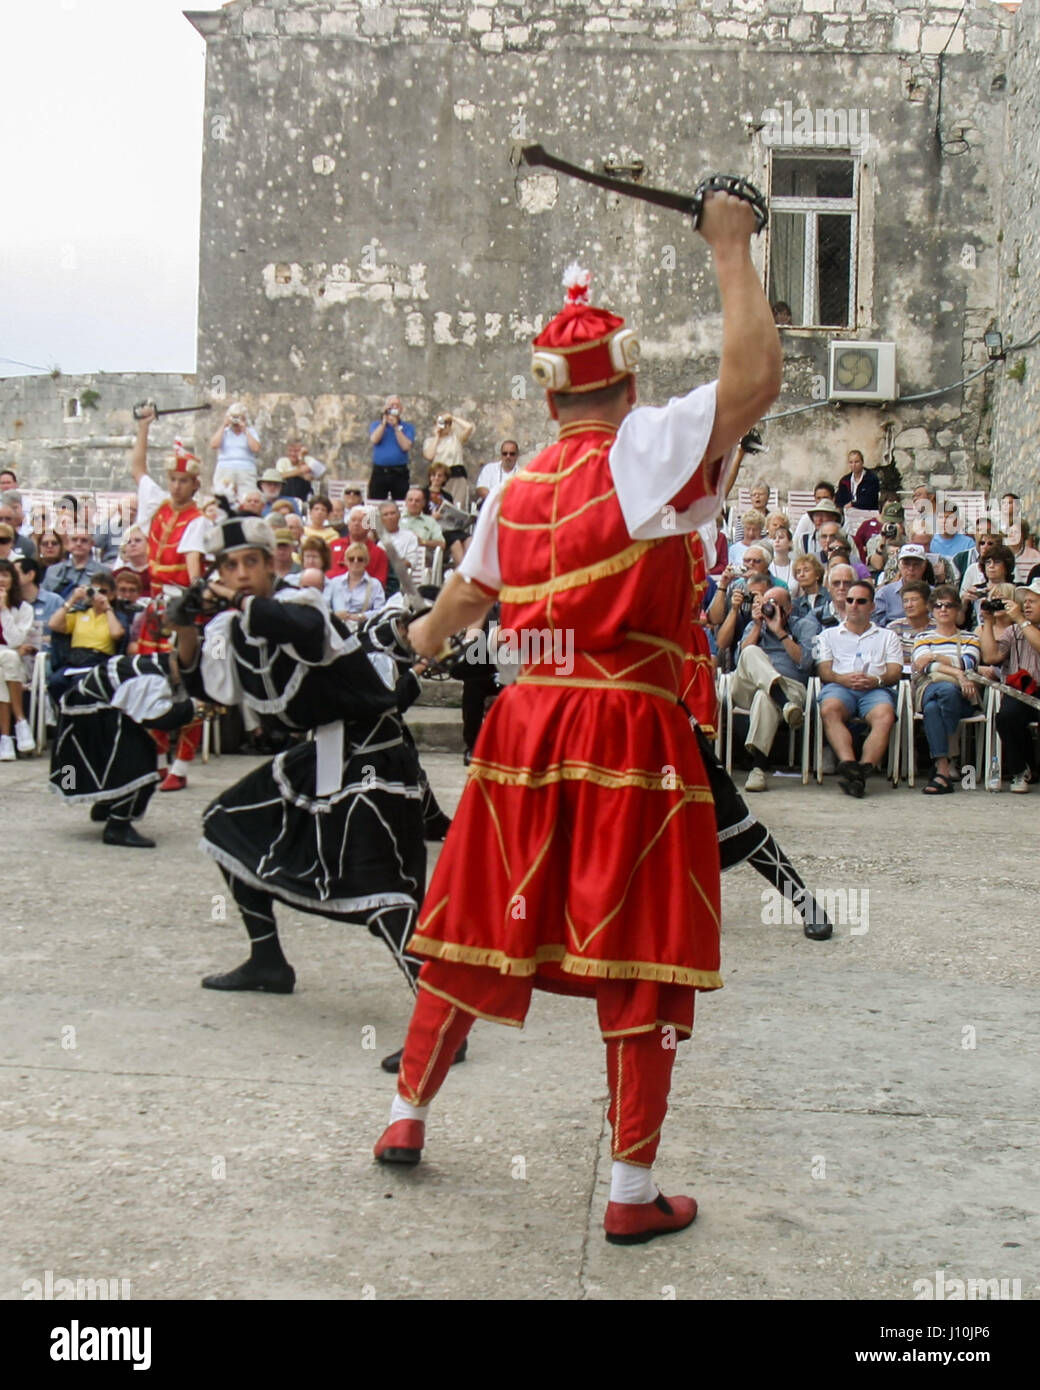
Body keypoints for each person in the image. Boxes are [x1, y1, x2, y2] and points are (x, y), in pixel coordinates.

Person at [373, 188, 783, 1247]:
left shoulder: (510, 488)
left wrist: (411, 640)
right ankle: (630, 1187)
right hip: (623, 732)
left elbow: (455, 615)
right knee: (639, 946)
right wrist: (729, 248)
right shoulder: (645, 449)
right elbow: (753, 382)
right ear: (628, 380)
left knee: (473, 916)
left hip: (521, 726)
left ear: (548, 395)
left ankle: (405, 1111)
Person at [169, 516, 434, 1069]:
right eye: (228, 566)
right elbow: (207, 686)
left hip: (373, 751)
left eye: (250, 564)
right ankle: (268, 961)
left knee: (378, 886)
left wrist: (231, 602)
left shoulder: (304, 608)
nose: (239, 576)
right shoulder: (232, 630)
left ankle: (442, 1024)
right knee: (228, 821)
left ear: (272, 566)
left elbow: (303, 635)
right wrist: (186, 625)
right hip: (323, 752)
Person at [48, 650, 195, 847]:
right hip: (88, 716)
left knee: (132, 743)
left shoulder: (154, 663)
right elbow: (158, 718)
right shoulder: (152, 676)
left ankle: (106, 804)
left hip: (81, 714)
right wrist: (195, 707)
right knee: (139, 758)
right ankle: (118, 824)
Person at [815, 578, 902, 797]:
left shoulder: (888, 636)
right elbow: (824, 671)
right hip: (840, 686)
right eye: (850, 600)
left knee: (885, 715)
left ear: (872, 606)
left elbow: (894, 671)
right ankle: (850, 765)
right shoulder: (828, 635)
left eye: (861, 601)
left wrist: (877, 680)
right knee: (829, 709)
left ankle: (861, 770)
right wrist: (842, 679)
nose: (853, 605)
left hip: (875, 688)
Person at [730, 584, 818, 793]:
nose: (769, 608)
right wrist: (758, 626)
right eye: (766, 603)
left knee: (764, 696)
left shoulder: (805, 626)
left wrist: (779, 631)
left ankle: (757, 769)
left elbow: (806, 663)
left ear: (789, 609)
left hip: (791, 686)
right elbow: (739, 658)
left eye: (775, 604)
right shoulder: (754, 626)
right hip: (747, 689)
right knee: (750, 651)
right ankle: (785, 704)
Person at [909, 586, 982, 794]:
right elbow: (924, 667)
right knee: (946, 690)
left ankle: (941, 768)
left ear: (958, 609)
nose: (943, 609)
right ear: (931, 610)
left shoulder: (970, 637)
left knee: (934, 709)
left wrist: (937, 657)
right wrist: (957, 674)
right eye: (938, 605)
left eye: (949, 605)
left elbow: (968, 663)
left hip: (964, 697)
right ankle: (948, 762)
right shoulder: (922, 637)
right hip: (932, 687)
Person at [979, 578, 1040, 792]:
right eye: (1026, 601)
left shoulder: (1020, 624)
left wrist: (1021, 619)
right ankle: (1019, 770)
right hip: (1022, 691)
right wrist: (987, 621)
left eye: (1033, 601)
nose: (1027, 605)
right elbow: (991, 656)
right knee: (1006, 716)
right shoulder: (1012, 631)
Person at [0, 559, 37, 759]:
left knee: (7, 661)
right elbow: (13, 645)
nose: (1, 579)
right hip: (10, 657)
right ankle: (20, 721)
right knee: (9, 655)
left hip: (14, 667)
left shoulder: (24, 609)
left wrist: (4, 609)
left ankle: (5, 738)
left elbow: (15, 638)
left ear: (13, 580)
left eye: (5, 575)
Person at [422, 411, 474, 509]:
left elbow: (469, 427)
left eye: (448, 423)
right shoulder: (430, 441)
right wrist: (437, 435)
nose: (445, 426)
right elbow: (429, 456)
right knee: (437, 505)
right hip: (439, 476)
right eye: (442, 423)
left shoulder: (456, 438)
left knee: (458, 505)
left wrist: (453, 418)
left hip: (457, 475)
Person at [210, 404, 261, 503]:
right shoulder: (224, 432)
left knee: (247, 497)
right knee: (222, 497)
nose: (236, 420)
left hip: (245, 468)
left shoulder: (250, 432)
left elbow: (256, 448)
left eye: (238, 417)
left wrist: (245, 430)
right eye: (233, 417)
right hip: (225, 467)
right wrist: (224, 425)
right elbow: (213, 445)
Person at [368, 395, 415, 501]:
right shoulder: (376, 425)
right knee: (375, 503)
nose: (394, 408)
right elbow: (374, 439)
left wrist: (396, 427)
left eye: (397, 405)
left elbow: (405, 446)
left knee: (401, 502)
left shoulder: (407, 427)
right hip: (380, 471)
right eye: (391, 406)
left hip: (399, 472)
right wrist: (384, 423)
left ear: (401, 409)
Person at [873, 544, 931, 627]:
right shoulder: (884, 594)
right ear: (899, 566)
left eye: (916, 564)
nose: (911, 569)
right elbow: (876, 625)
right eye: (906, 564)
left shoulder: (933, 593)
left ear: (924, 566)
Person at [327, 542, 386, 617]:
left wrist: (361, 616)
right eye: (351, 559)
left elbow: (380, 611)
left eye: (360, 559)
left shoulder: (375, 584)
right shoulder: (334, 582)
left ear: (366, 561)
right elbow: (325, 606)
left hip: (363, 626)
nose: (356, 561)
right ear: (345, 561)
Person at [887, 578, 933, 669]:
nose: (909, 605)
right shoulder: (894, 628)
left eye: (914, 599)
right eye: (905, 601)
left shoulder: (938, 627)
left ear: (927, 602)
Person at [378, 500, 422, 591]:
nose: (390, 517)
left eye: (392, 513)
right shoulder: (376, 539)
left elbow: (411, 562)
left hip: (399, 580)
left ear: (399, 515)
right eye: (386, 514)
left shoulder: (409, 536)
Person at [401, 487, 445, 569]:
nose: (413, 503)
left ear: (423, 503)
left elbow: (442, 544)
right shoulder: (396, 519)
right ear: (406, 502)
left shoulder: (430, 521)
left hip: (422, 558)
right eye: (410, 500)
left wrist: (423, 542)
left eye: (417, 501)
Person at [275, 437, 327, 504]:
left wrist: (301, 457)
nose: (293, 454)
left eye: (296, 451)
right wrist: (300, 471)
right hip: (285, 495)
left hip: (304, 494)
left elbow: (309, 477)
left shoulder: (308, 459)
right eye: (290, 451)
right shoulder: (282, 461)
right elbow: (279, 476)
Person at [790, 554, 828, 624]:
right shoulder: (796, 604)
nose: (801, 574)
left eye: (806, 570)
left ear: (817, 575)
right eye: (798, 572)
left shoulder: (829, 598)